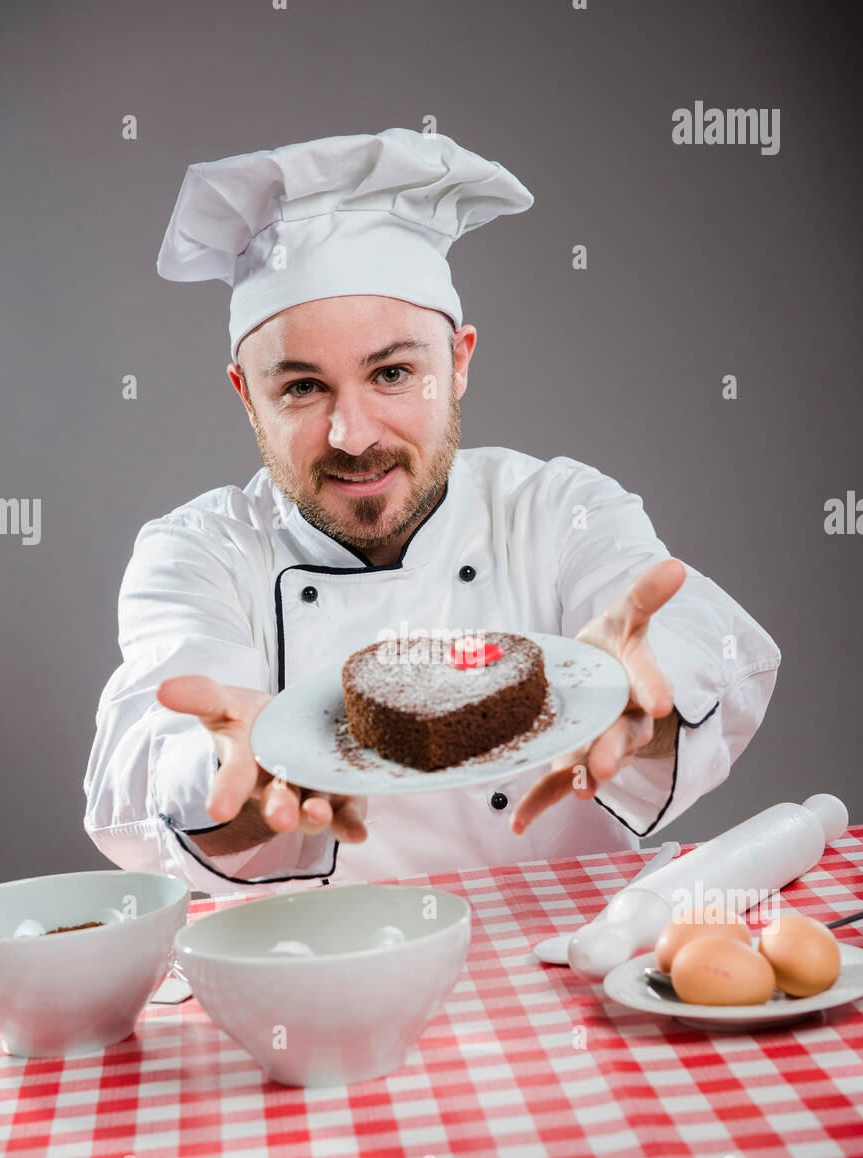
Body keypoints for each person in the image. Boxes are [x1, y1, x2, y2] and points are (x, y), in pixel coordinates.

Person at [83, 128, 781, 896]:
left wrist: (640, 703)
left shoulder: (555, 508)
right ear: (248, 396)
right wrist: (237, 778)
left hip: (571, 956)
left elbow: (685, 638)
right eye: (302, 388)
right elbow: (153, 751)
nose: (352, 436)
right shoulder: (197, 554)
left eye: (391, 373)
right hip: (325, 981)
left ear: (457, 365)